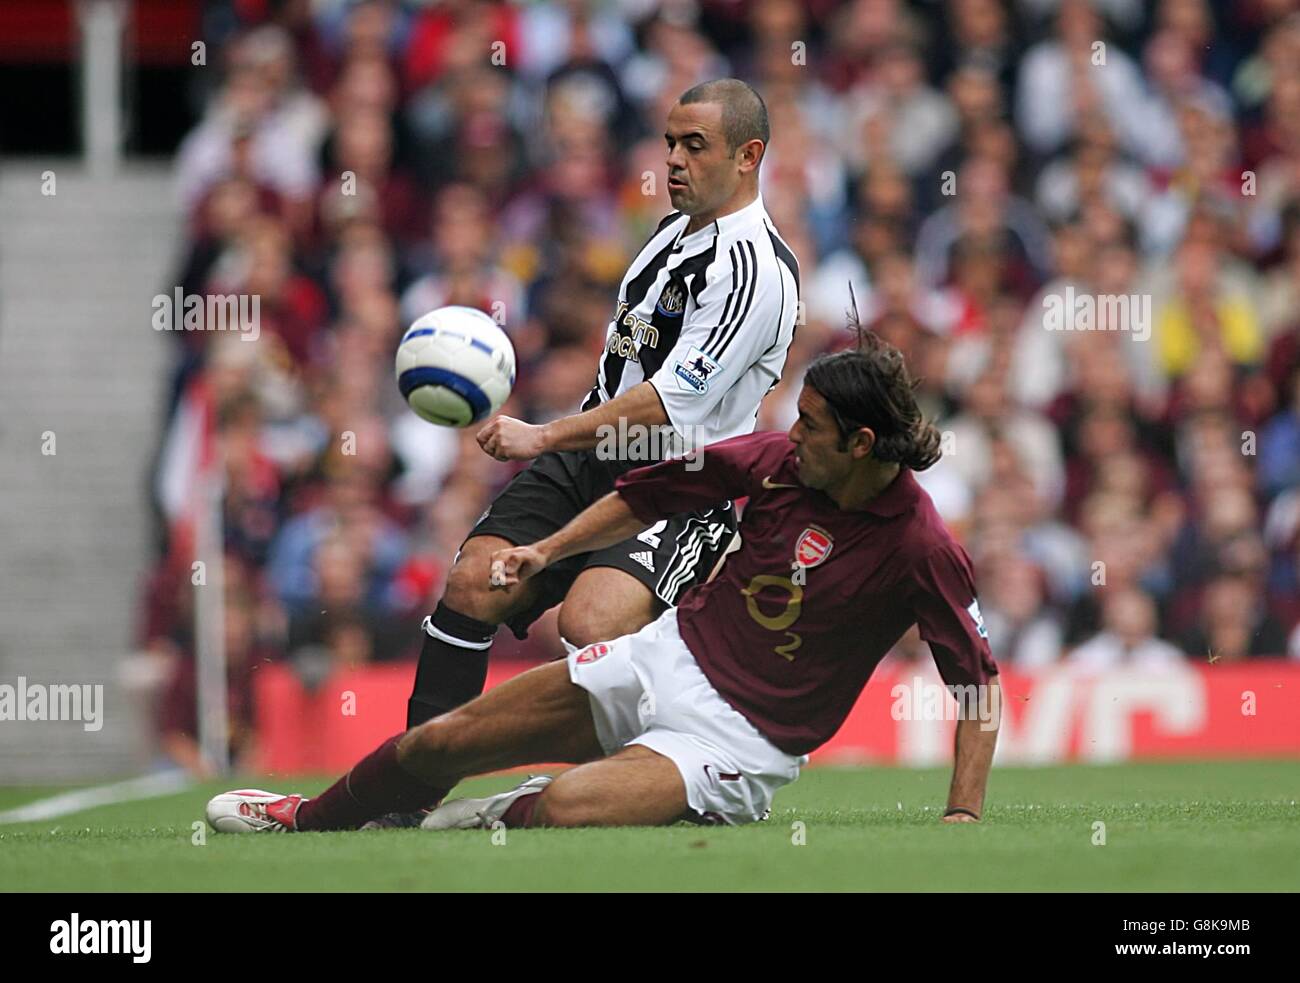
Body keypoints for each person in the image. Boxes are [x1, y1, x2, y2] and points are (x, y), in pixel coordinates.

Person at [206, 330, 1000, 833]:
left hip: (735, 743)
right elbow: (644, 495)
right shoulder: (777, 464)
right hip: (661, 658)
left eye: (813, 425)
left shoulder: (922, 544)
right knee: (440, 741)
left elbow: (977, 683)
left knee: (568, 806)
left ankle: (487, 813)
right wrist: (546, 552)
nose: (793, 435)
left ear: (862, 443)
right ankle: (305, 819)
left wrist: (962, 812)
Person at [399, 79, 801, 787]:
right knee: (472, 584)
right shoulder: (669, 235)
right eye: (670, 141)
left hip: (678, 478)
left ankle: (667, 770)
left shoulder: (754, 271)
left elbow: (671, 404)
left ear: (749, 155)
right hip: (590, 460)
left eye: (695, 145)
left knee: (591, 622)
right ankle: (410, 787)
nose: (673, 158)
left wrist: (544, 435)